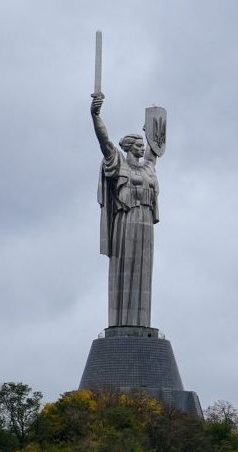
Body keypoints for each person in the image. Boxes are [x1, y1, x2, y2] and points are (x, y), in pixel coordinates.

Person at [91, 92, 160, 328]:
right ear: (130, 147)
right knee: (125, 269)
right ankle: (121, 323)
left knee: (143, 272)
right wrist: (95, 114)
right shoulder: (118, 162)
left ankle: (142, 323)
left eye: (143, 144)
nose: (143, 148)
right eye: (139, 145)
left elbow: (156, 148)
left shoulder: (149, 169)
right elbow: (104, 141)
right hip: (126, 221)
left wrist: (152, 129)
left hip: (145, 223)